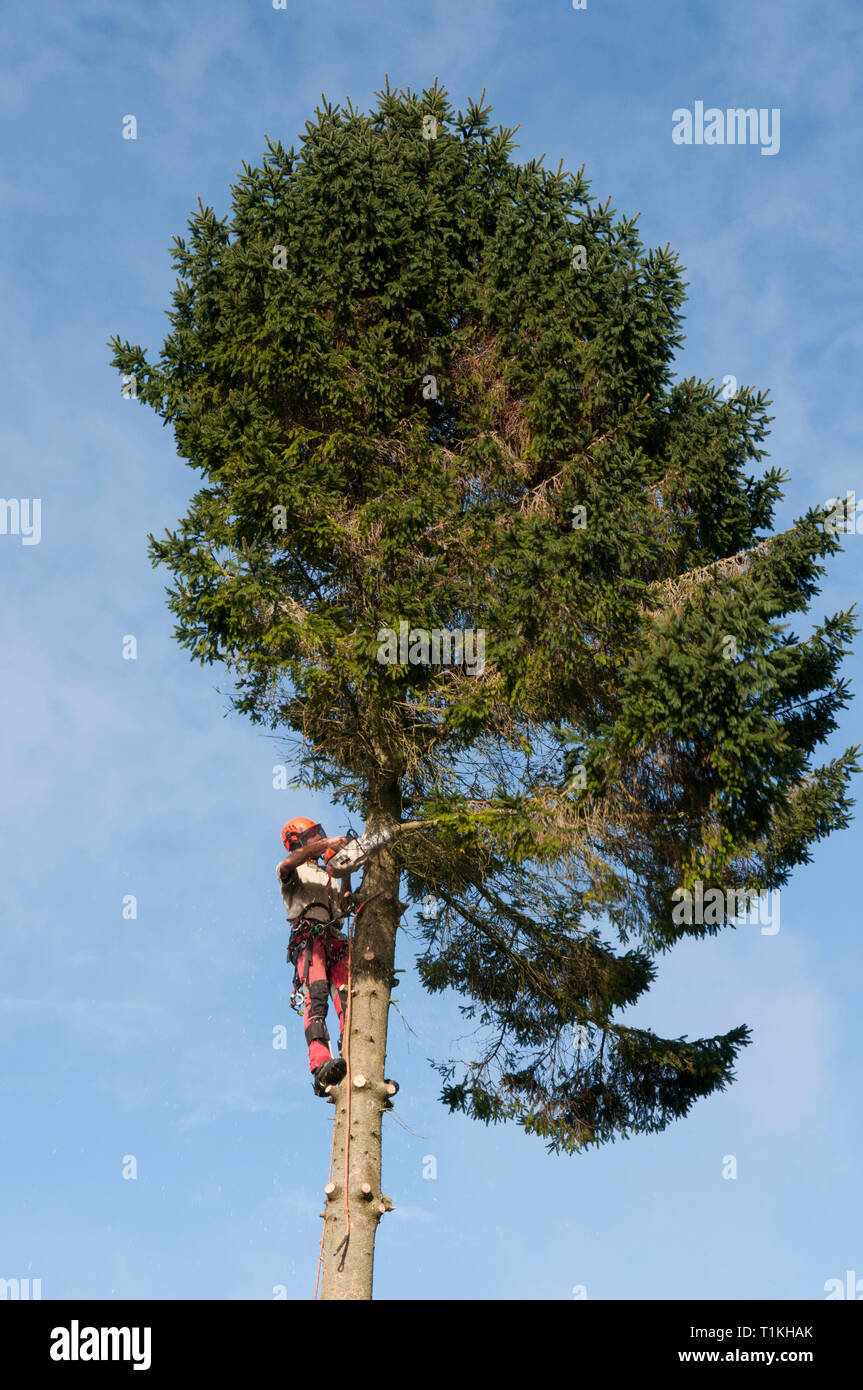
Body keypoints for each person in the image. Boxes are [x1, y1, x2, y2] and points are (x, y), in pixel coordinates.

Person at [278, 817, 353, 1097]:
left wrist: (344, 869)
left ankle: (353, 1054)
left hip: (335, 938)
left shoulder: (326, 874)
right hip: (309, 935)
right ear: (297, 841)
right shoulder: (292, 870)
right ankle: (321, 1066)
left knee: (348, 997)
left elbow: (344, 902)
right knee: (317, 994)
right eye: (312, 836)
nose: (318, 839)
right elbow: (288, 865)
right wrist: (327, 844)